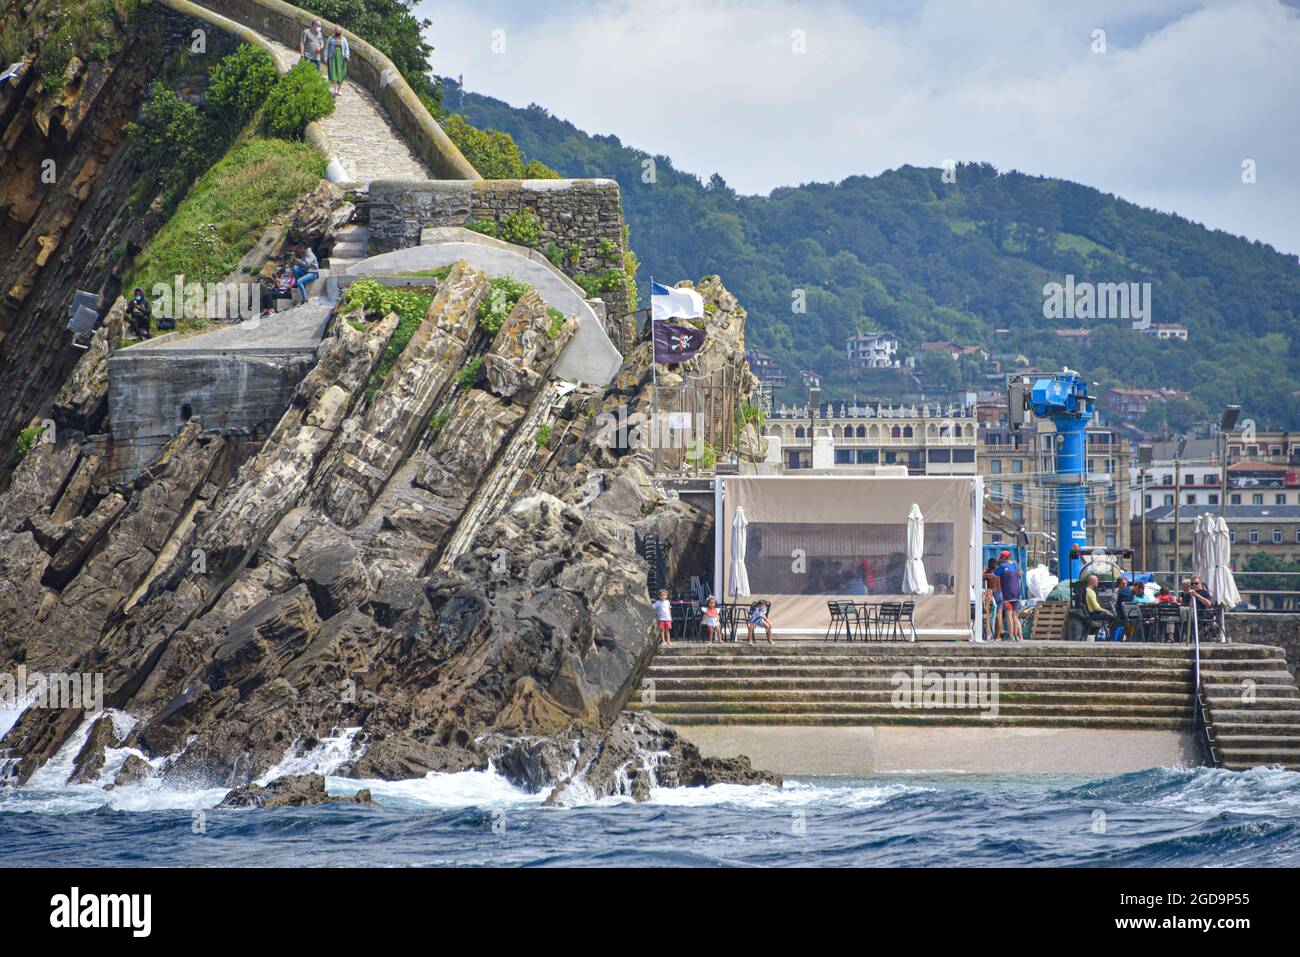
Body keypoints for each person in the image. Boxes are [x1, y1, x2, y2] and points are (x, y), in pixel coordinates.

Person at [995, 550, 1023, 642]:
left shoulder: (1002, 567)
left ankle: (1011, 636)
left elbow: (994, 573)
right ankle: (1017, 636)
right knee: (1015, 616)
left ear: (1003, 558)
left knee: (1008, 615)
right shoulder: (1015, 565)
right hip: (1017, 594)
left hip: (1007, 595)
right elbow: (1020, 574)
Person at [1084, 574, 1117, 639]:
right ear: (1094, 582)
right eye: (1097, 581)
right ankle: (1112, 637)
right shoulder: (1091, 592)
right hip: (1094, 614)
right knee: (1115, 617)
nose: (1098, 583)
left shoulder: (1086, 590)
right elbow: (1096, 608)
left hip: (1090, 614)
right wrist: (1105, 610)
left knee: (1111, 615)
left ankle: (1109, 635)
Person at [325, 26, 350, 96]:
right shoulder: (330, 39)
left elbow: (347, 49)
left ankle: (338, 90)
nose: (338, 32)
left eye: (339, 31)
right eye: (337, 31)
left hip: (342, 58)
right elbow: (327, 48)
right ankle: (335, 89)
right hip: (332, 57)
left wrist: (347, 56)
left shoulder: (344, 39)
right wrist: (326, 56)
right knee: (333, 73)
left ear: (341, 32)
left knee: (341, 74)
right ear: (335, 31)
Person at [983, 558, 1004, 641]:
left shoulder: (989, 573)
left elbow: (981, 577)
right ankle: (999, 636)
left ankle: (990, 634)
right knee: (999, 616)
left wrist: (983, 571)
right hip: (1001, 594)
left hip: (993, 594)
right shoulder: (999, 573)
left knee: (991, 616)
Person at [1112, 576, 1135, 641]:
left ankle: (1129, 636)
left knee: (1133, 619)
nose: (1125, 585)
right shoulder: (1116, 594)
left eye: (1126, 583)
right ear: (1118, 584)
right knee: (1132, 620)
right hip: (1120, 615)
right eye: (1123, 584)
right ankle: (1129, 637)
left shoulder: (1129, 593)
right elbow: (1117, 607)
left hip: (1126, 613)